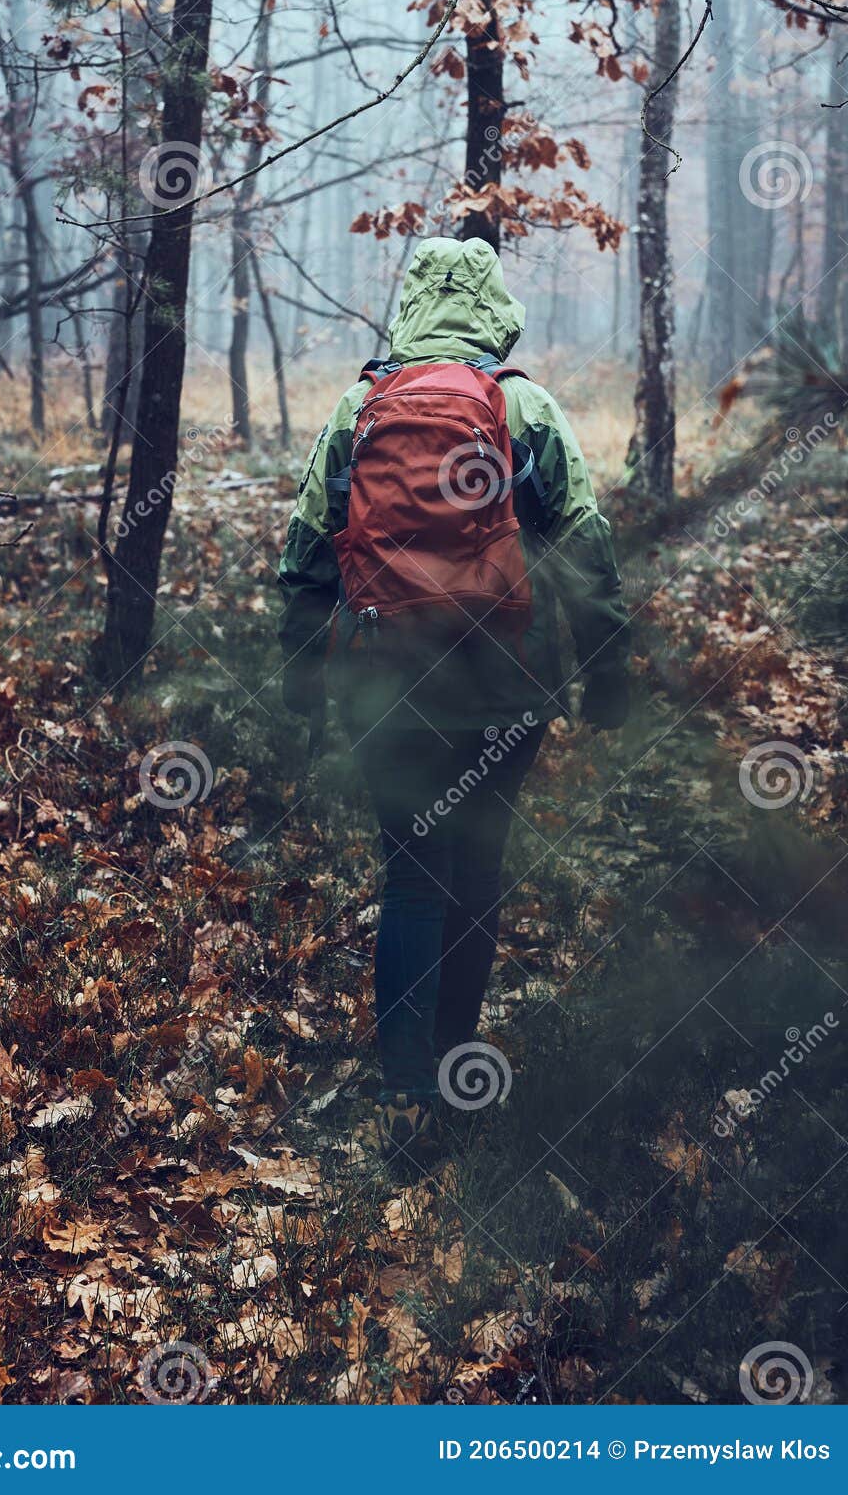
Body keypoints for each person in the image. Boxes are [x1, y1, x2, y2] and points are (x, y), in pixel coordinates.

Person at [277, 237, 630, 1169]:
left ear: (408, 306)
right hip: (501, 687)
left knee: (409, 875)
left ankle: (402, 1094)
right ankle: (451, 1073)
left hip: (382, 684)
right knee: (476, 871)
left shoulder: (360, 408)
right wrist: (606, 676)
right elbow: (586, 550)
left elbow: (306, 556)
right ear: (495, 305)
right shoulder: (526, 407)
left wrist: (301, 690)